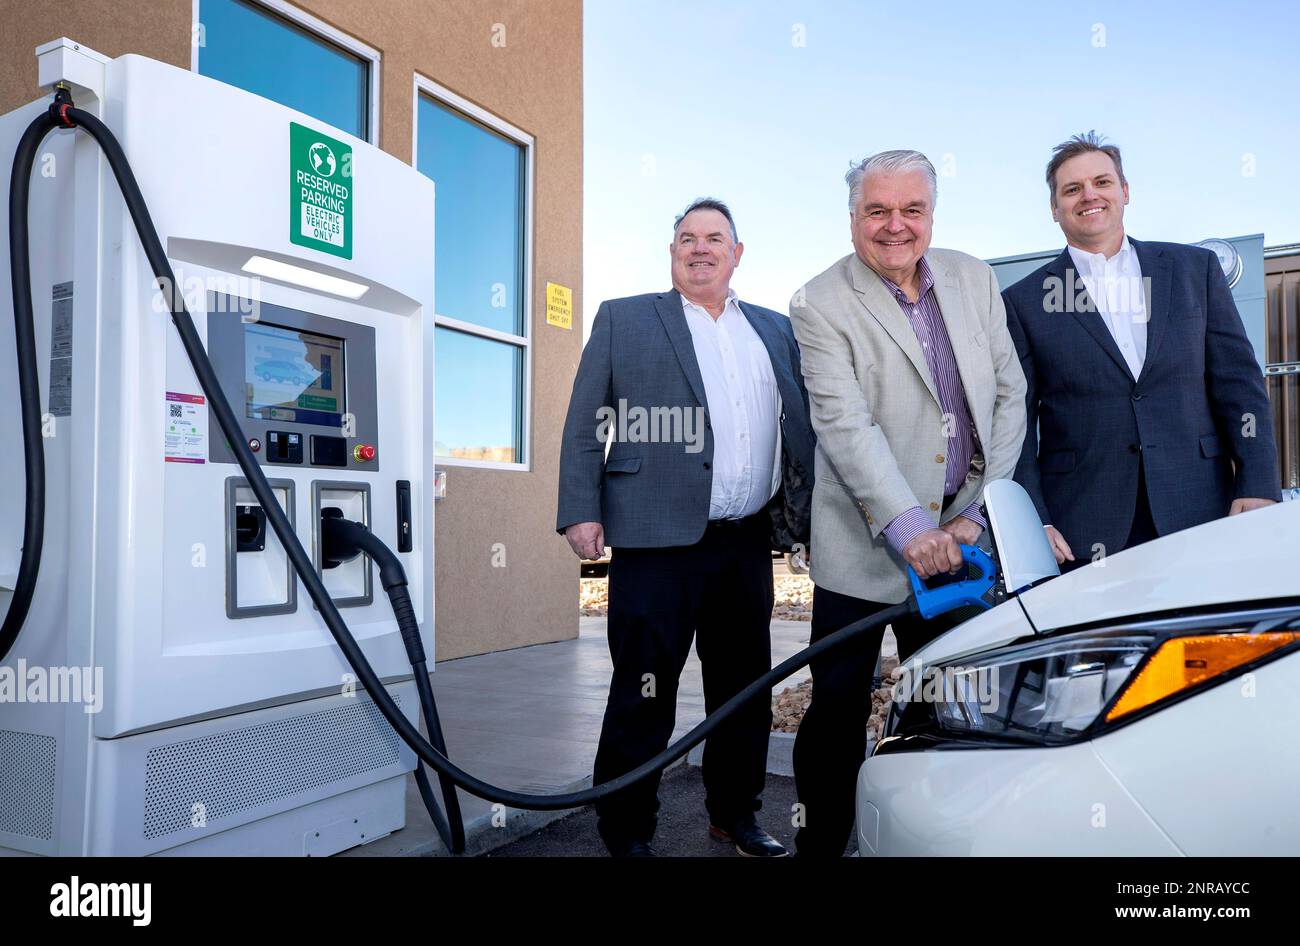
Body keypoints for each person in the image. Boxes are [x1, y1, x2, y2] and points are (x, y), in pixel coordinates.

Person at [556, 197, 815, 857]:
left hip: (746, 541)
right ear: (672, 252)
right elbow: (587, 421)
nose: (700, 248)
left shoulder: (774, 329)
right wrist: (580, 508)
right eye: (686, 239)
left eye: (714, 238)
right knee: (643, 689)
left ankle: (736, 815)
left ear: (737, 252)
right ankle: (627, 830)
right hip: (653, 540)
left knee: (744, 691)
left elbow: (802, 426)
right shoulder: (625, 318)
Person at [788, 150, 1027, 857]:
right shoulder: (818, 302)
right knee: (835, 711)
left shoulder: (974, 278)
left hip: (964, 539)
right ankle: (822, 845)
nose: (896, 226)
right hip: (862, 547)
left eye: (911, 209)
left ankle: (934, 842)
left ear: (932, 213)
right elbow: (844, 426)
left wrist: (973, 515)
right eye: (877, 210)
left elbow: (1010, 397)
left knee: (950, 707)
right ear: (853, 218)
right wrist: (914, 525)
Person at [1003, 132, 1280, 568]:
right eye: (1072, 189)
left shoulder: (1195, 270)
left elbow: (1240, 387)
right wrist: (1033, 519)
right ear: (1054, 209)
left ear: (1125, 191)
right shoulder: (1022, 301)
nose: (1089, 196)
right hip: (1084, 524)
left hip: (1202, 508)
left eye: (1102, 182)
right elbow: (1015, 422)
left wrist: (1259, 482)